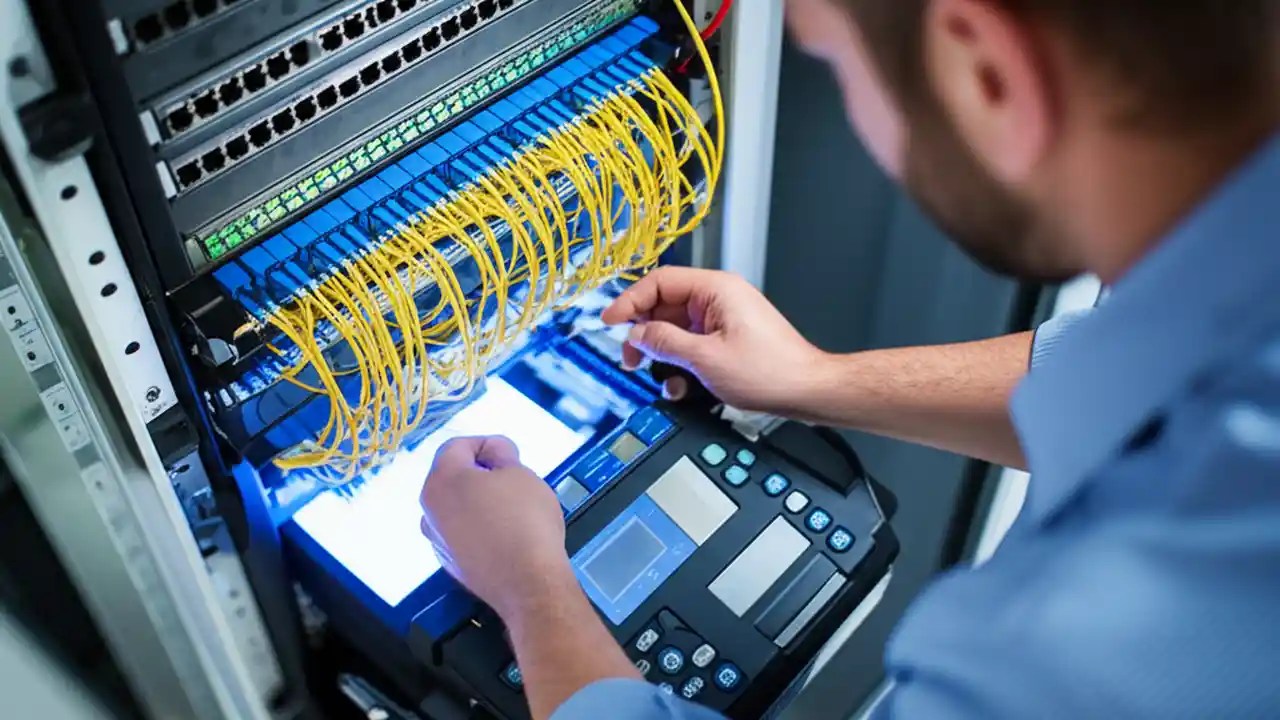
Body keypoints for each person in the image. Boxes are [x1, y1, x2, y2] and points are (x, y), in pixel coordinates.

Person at [419, 0, 1280, 717]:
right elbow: (1121, 372)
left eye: (831, 61)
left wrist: (530, 585)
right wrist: (811, 380)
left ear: (984, 73)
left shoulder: (1066, 663)